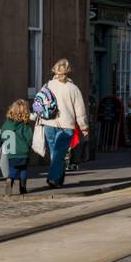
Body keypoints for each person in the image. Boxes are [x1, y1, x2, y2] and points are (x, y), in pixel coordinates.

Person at [37, 58, 90, 189]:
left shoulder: (47, 85)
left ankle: (59, 181)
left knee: (55, 154)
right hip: (66, 126)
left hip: (49, 123)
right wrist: (84, 126)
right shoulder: (73, 88)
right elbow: (80, 110)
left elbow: (40, 103)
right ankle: (53, 178)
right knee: (60, 154)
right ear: (68, 72)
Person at [0, 100, 34, 196]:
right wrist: (29, 145)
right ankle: (22, 187)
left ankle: (9, 180)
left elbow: (3, 136)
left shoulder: (6, 124)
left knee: (13, 168)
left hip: (11, 152)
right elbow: (29, 139)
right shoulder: (25, 126)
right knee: (23, 169)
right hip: (23, 152)